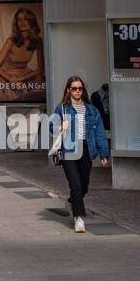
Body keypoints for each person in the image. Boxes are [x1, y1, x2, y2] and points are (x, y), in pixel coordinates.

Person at [54, 75, 109, 232]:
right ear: (68, 90)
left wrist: (103, 154)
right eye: (74, 88)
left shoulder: (92, 110)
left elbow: (99, 133)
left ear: (82, 90)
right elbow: (51, 127)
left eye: (80, 88)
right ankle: (79, 218)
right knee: (76, 184)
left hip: (86, 149)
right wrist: (60, 126)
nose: (77, 91)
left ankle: (72, 201)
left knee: (83, 185)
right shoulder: (62, 109)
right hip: (68, 150)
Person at [0, 6, 45, 101]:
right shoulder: (11, 41)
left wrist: (22, 78)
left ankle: (38, 108)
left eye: (25, 19)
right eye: (19, 20)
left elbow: (40, 69)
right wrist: (11, 79)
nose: (22, 23)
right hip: (7, 73)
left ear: (31, 22)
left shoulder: (37, 41)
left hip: (23, 73)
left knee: (40, 77)